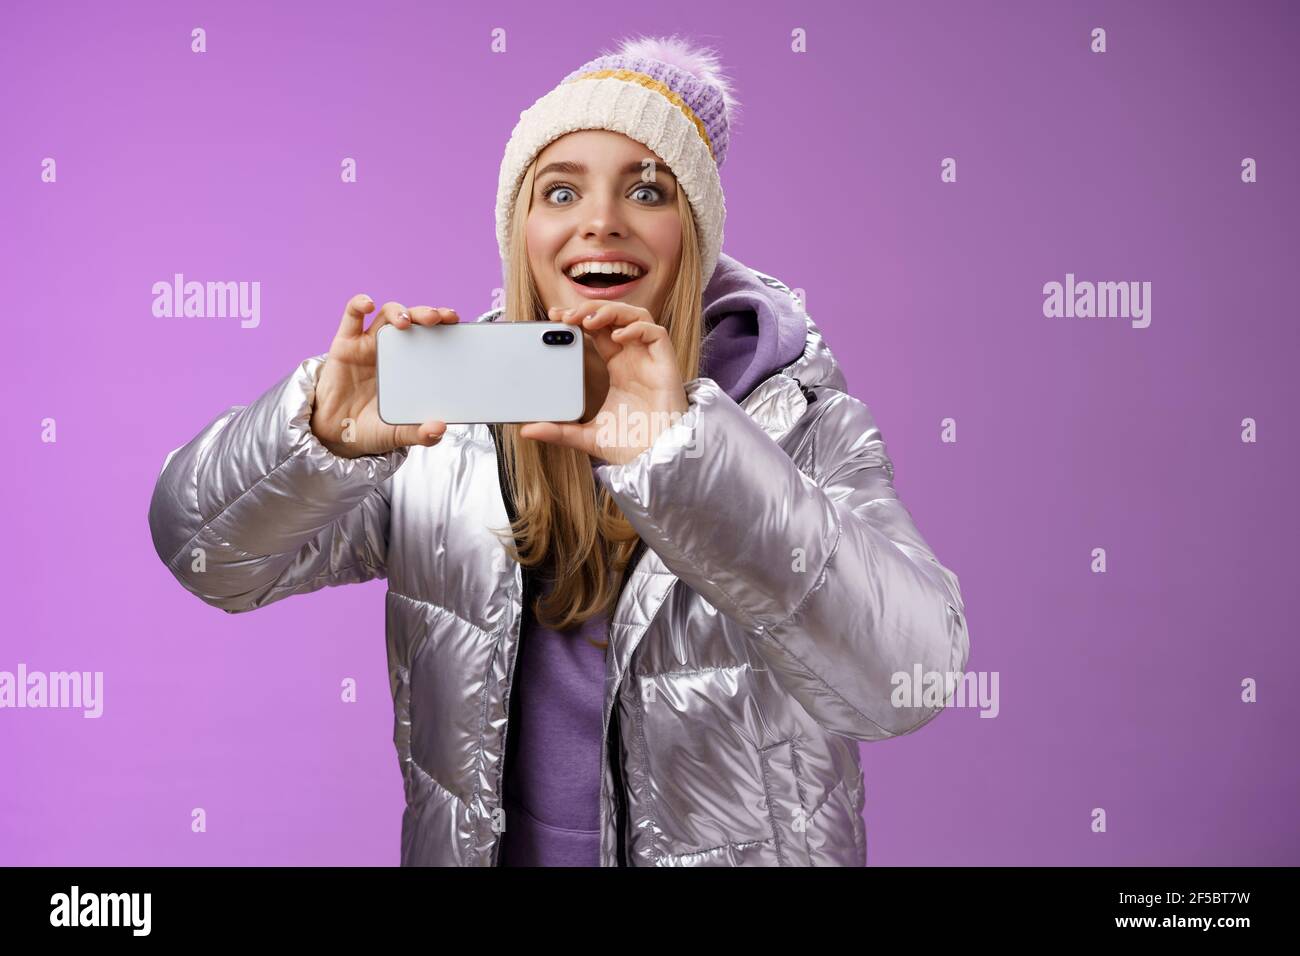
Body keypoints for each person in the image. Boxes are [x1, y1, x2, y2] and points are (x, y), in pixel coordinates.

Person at [148, 34, 970, 867]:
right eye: (561, 189)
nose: (600, 221)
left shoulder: (796, 417)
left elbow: (911, 681)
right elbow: (206, 557)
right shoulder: (443, 429)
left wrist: (683, 458)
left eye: (647, 190)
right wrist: (317, 440)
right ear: (522, 232)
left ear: (694, 236)